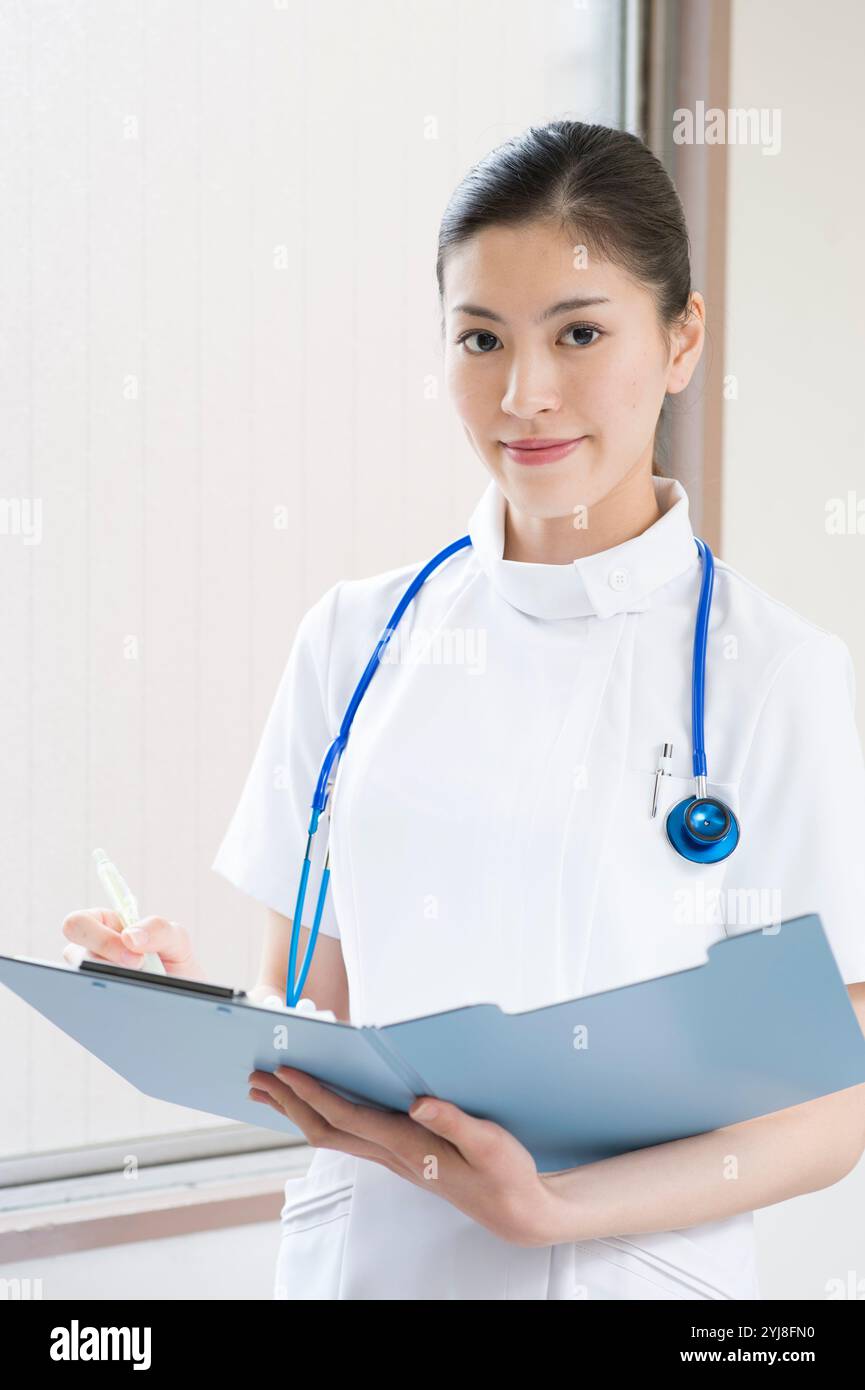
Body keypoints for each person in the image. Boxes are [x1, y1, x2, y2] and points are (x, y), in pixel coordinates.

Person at [62, 120, 865, 1301]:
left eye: (579, 333)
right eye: (480, 338)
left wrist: (551, 1210)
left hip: (621, 1276)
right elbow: (324, 1013)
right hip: (362, 1266)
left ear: (683, 337)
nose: (524, 394)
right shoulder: (356, 637)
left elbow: (828, 1108)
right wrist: (194, 1009)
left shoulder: (777, 673)